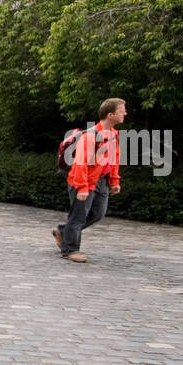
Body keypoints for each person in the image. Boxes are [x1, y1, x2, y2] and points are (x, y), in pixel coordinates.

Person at [55, 98, 125, 263]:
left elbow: (113, 159)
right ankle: (70, 250)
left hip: (101, 181)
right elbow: (80, 164)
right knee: (78, 216)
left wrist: (114, 181)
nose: (125, 114)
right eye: (122, 111)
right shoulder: (90, 137)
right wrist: (82, 187)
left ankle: (63, 231)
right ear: (111, 114)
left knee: (98, 214)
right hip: (83, 180)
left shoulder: (113, 134)